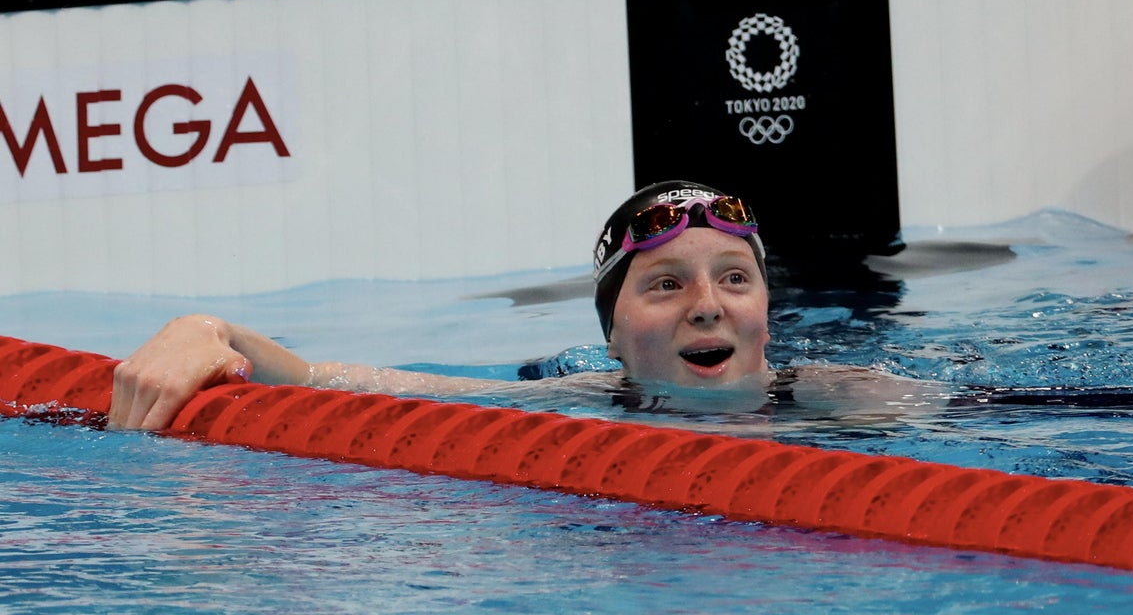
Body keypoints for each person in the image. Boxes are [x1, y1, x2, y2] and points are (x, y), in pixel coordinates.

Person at [108, 180, 941, 430]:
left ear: (766, 309)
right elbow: (338, 378)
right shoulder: (578, 406)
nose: (706, 306)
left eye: (734, 277)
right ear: (612, 335)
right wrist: (207, 330)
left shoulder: (849, 398)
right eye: (664, 283)